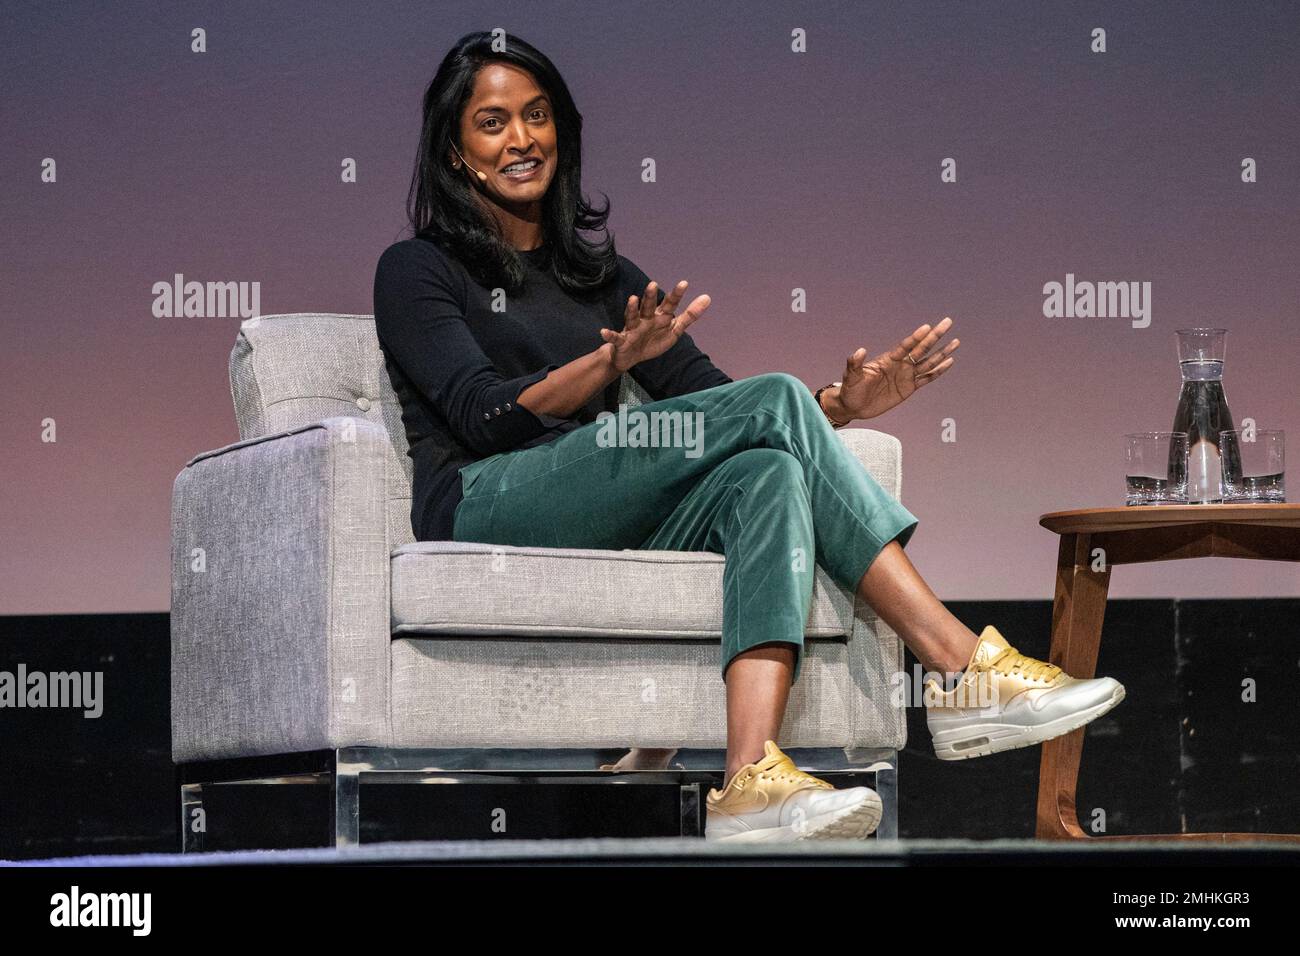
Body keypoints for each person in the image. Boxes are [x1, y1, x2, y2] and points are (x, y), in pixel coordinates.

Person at [373, 31, 1125, 844]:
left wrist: (841, 402)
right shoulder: (417, 268)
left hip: (592, 498)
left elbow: (718, 405)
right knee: (767, 413)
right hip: (486, 500)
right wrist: (609, 363)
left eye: (538, 115)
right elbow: (485, 416)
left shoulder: (607, 280)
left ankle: (747, 782)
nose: (522, 139)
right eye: (493, 123)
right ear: (455, 151)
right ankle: (957, 665)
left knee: (766, 469)